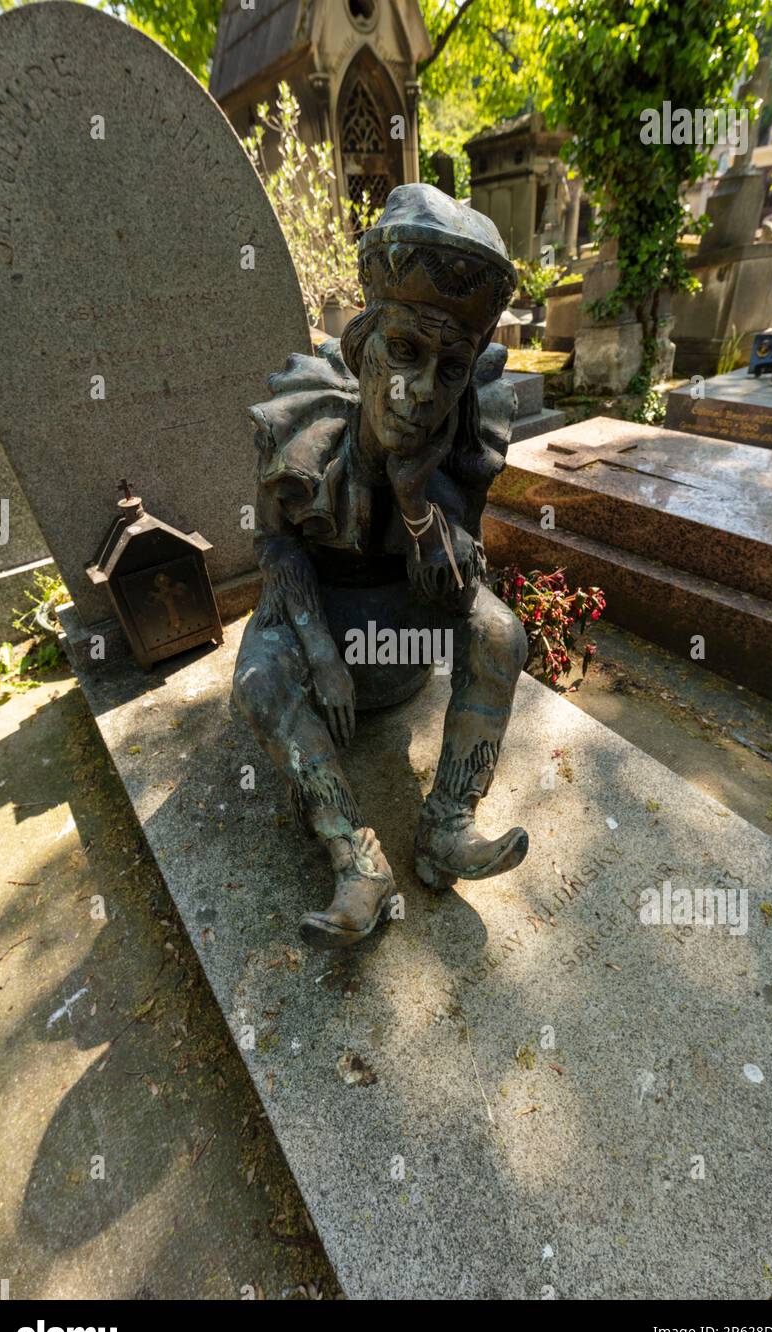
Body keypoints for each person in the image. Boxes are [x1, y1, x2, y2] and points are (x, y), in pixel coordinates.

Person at [233, 184, 529, 947]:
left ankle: (446, 826)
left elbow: (463, 583)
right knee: (261, 680)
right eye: (403, 351)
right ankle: (355, 856)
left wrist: (414, 497)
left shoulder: (463, 433)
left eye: (450, 366)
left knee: (500, 635)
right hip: (325, 628)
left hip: (400, 647)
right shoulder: (299, 423)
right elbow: (274, 543)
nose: (421, 391)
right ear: (364, 345)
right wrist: (322, 654)